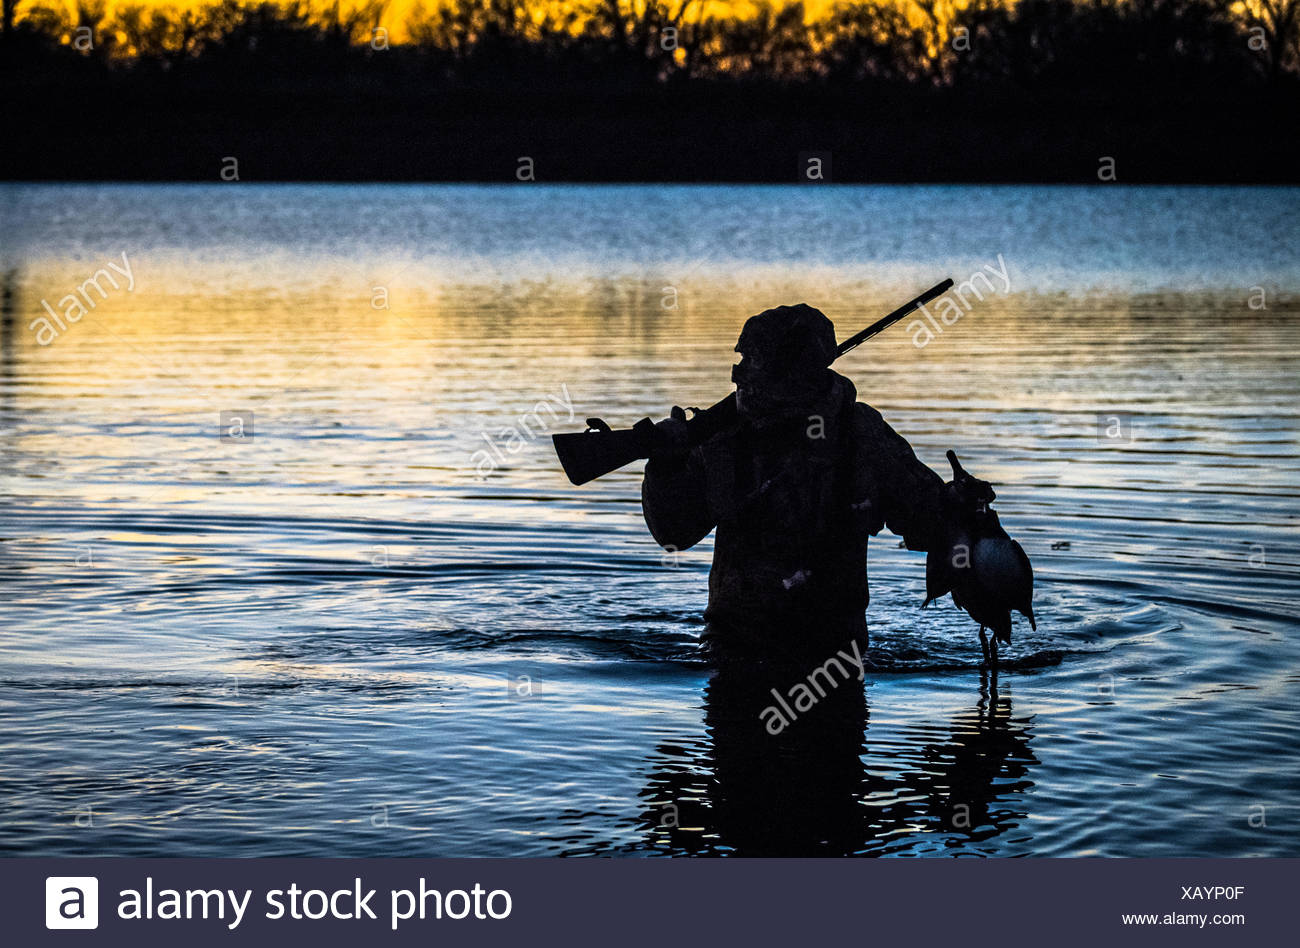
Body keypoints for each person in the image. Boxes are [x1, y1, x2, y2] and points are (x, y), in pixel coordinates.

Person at [641, 303, 958, 666]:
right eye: (740, 360)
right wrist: (665, 465)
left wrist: (960, 503)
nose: (737, 375)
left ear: (793, 372)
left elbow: (929, 523)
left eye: (752, 361)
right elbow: (673, 533)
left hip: (832, 657)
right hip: (731, 649)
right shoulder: (722, 436)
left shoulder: (860, 434)